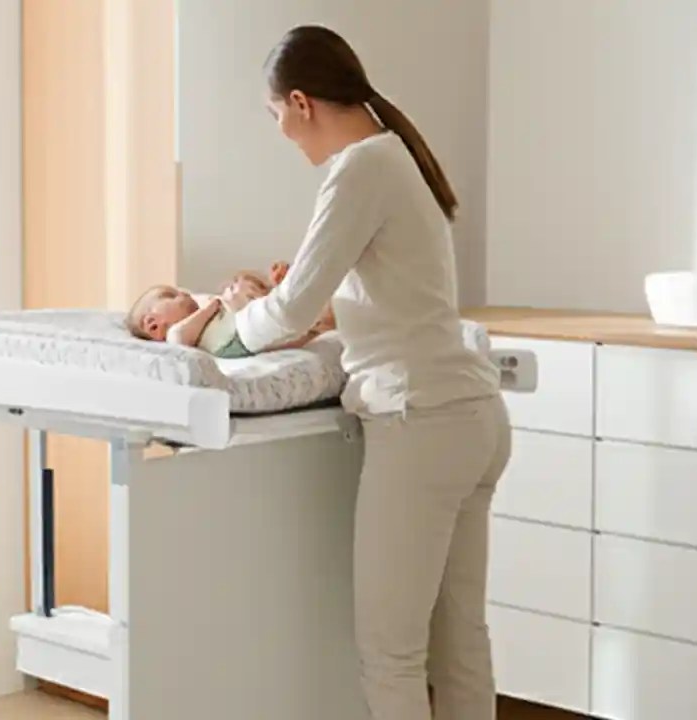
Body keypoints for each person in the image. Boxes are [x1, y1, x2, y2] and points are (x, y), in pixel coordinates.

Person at [233, 25, 512, 720]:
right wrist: (334, 318)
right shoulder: (396, 158)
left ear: (300, 103)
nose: (283, 135)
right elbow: (396, 295)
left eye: (276, 118)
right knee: (460, 643)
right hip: (472, 415)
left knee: (390, 656)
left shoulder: (359, 167)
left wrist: (237, 322)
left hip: (420, 425)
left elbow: (291, 302)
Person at [125, 264, 334, 358]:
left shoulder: (197, 321)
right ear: (153, 324)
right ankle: (291, 295)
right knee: (269, 316)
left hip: (245, 335)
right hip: (239, 337)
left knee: (284, 329)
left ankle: (285, 294)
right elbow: (179, 338)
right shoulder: (176, 334)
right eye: (172, 295)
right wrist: (210, 307)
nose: (183, 293)